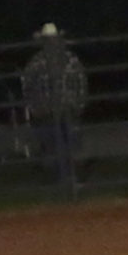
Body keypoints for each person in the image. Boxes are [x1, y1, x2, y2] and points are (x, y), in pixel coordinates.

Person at [22, 22, 87, 189]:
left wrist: (79, 103)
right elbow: (81, 82)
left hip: (61, 108)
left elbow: (28, 87)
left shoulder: (38, 62)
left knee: (62, 145)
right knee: (59, 145)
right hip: (53, 109)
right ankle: (65, 179)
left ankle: (65, 179)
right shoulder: (69, 59)